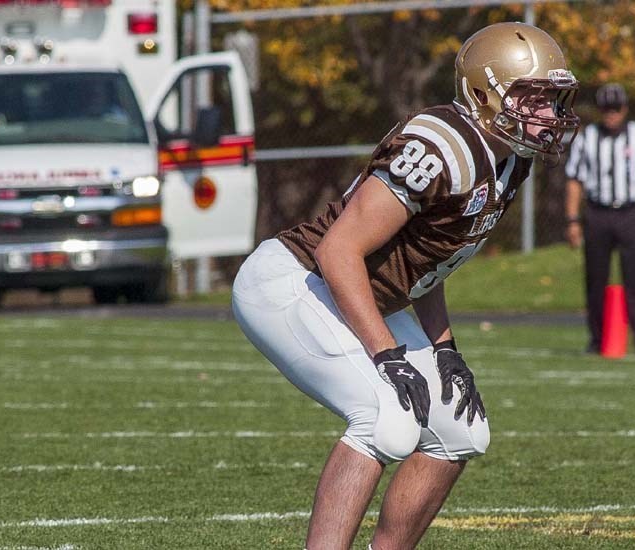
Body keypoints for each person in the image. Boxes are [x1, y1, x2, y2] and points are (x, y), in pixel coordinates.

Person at [231, 22, 580, 549]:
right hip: (294, 279)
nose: (548, 115)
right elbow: (338, 251)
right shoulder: (441, 147)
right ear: (485, 94)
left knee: (462, 432)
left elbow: (429, 262)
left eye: (552, 100)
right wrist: (388, 355)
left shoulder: (510, 161)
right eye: (533, 99)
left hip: (356, 290)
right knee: (385, 420)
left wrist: (445, 350)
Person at [563, 83, 635, 357]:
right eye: (606, 110)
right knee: (595, 279)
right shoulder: (587, 138)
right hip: (597, 213)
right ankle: (597, 340)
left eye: (616, 109)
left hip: (631, 213)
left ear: (625, 109)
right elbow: (574, 180)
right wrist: (572, 220)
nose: (611, 115)